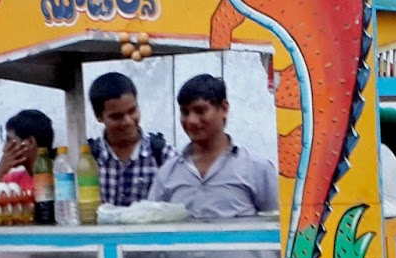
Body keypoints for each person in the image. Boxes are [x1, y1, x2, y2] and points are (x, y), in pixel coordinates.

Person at [146, 74, 278, 219]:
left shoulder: (257, 169)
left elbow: (279, 224)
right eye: (185, 112)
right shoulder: (168, 173)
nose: (192, 120)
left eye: (200, 111)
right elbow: (151, 224)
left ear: (223, 108)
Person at [86, 71, 173, 206]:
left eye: (132, 111)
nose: (128, 121)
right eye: (117, 116)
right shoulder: (89, 159)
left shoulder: (164, 155)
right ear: (99, 117)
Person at [0, 109, 55, 194]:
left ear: (30, 143)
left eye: (10, 141)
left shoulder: (61, 179)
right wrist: (0, 172)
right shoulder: (12, 180)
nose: (5, 148)